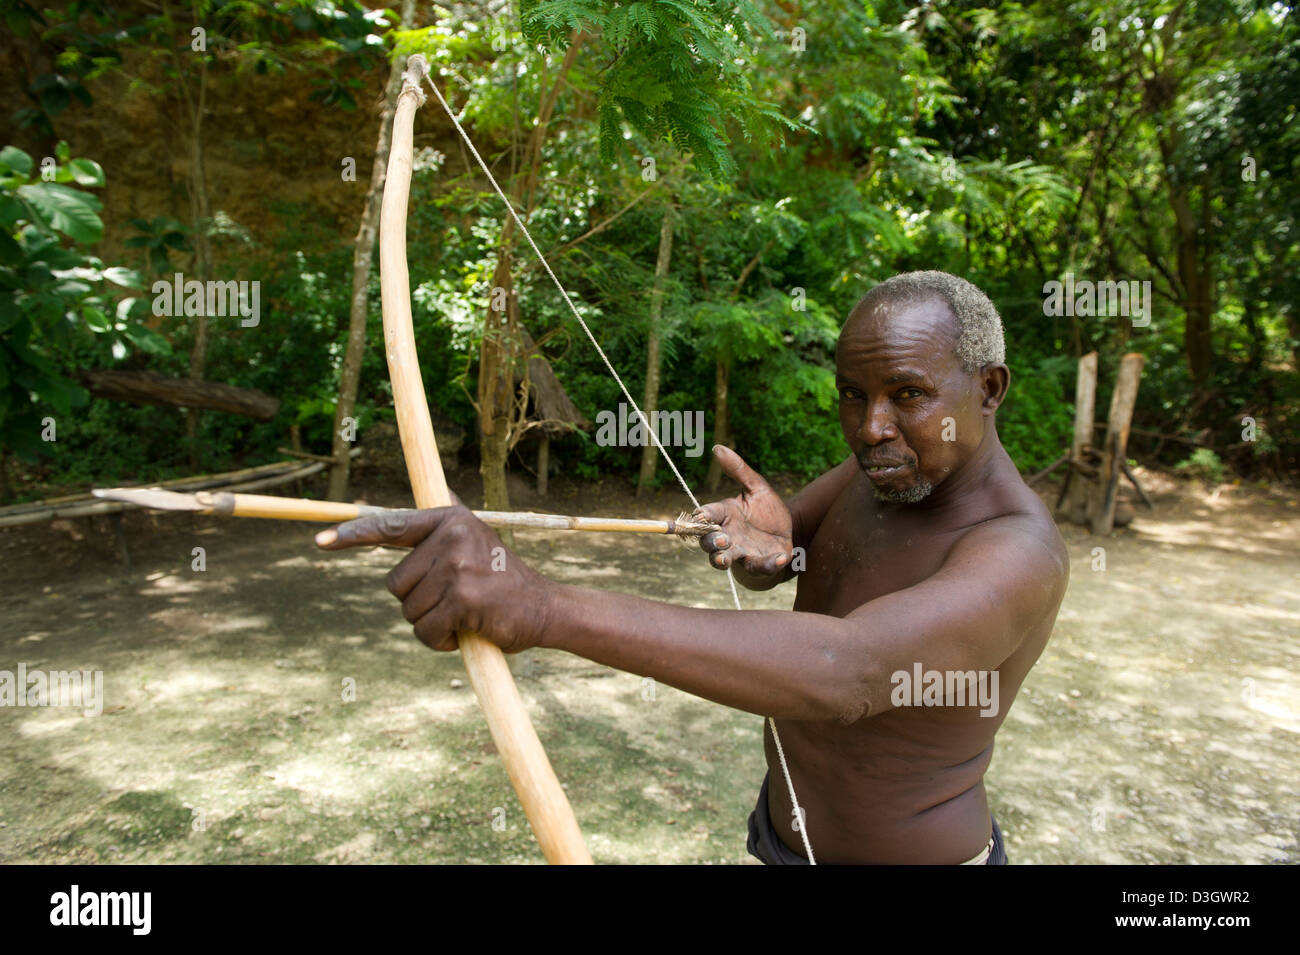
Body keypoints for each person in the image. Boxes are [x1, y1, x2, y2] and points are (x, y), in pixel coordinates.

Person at [316, 270, 1069, 864]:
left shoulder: (1019, 550)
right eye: (852, 395)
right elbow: (788, 546)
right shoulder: (883, 470)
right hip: (782, 838)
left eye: (908, 395)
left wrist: (540, 606)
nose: (871, 428)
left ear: (989, 388)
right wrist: (773, 543)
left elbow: (853, 669)